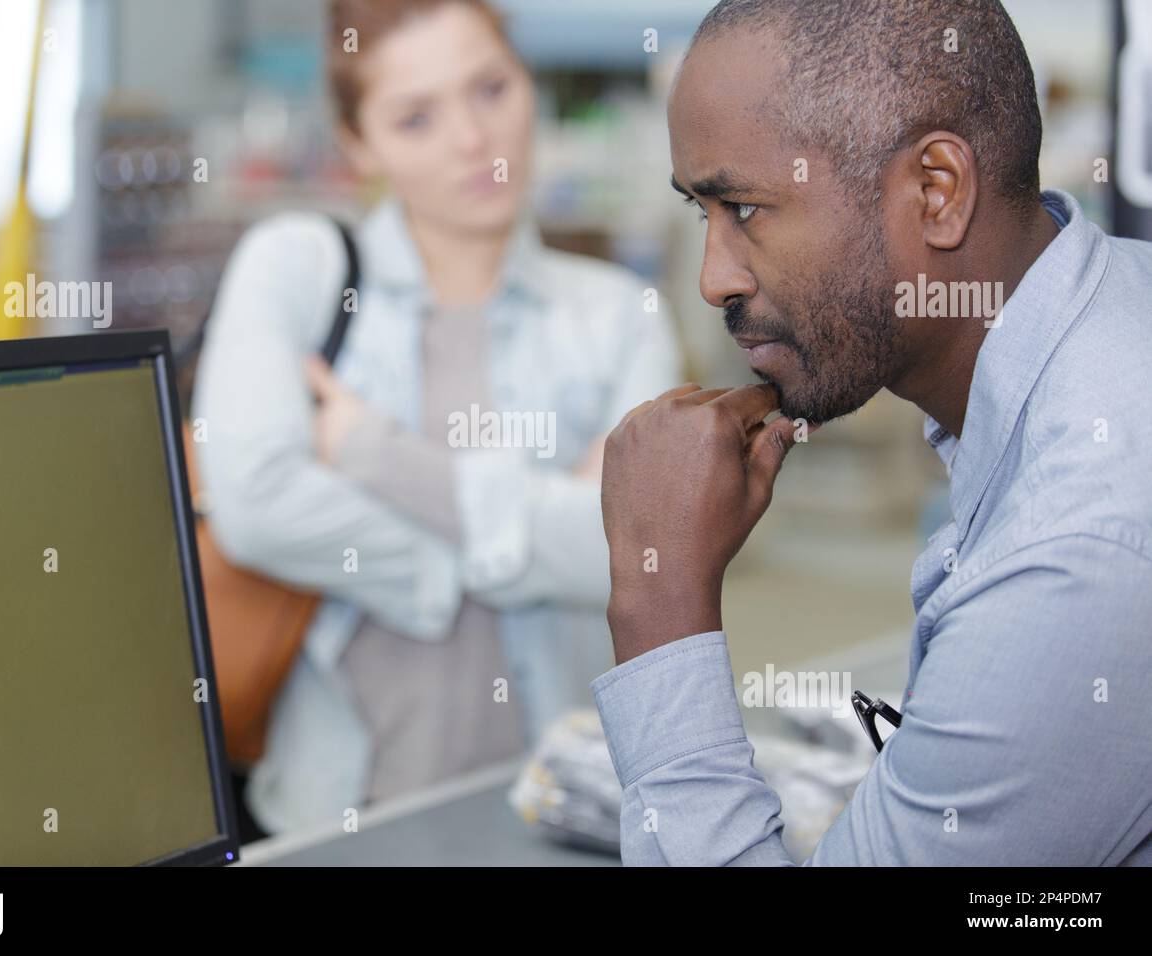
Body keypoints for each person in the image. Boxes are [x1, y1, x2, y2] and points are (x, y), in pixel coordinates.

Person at [595, 0, 1152, 865]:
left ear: (937, 190)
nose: (714, 278)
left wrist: (657, 604)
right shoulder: (1114, 299)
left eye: (744, 207)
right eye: (700, 212)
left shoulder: (1077, 550)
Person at [192, 0, 682, 834]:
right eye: (416, 117)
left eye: (490, 88)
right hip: (338, 818)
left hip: (565, 817)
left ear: (526, 82)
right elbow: (252, 504)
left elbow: (635, 557)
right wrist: (479, 555)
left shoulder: (616, 315)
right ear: (358, 143)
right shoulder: (300, 271)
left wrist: (374, 455)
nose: (471, 139)